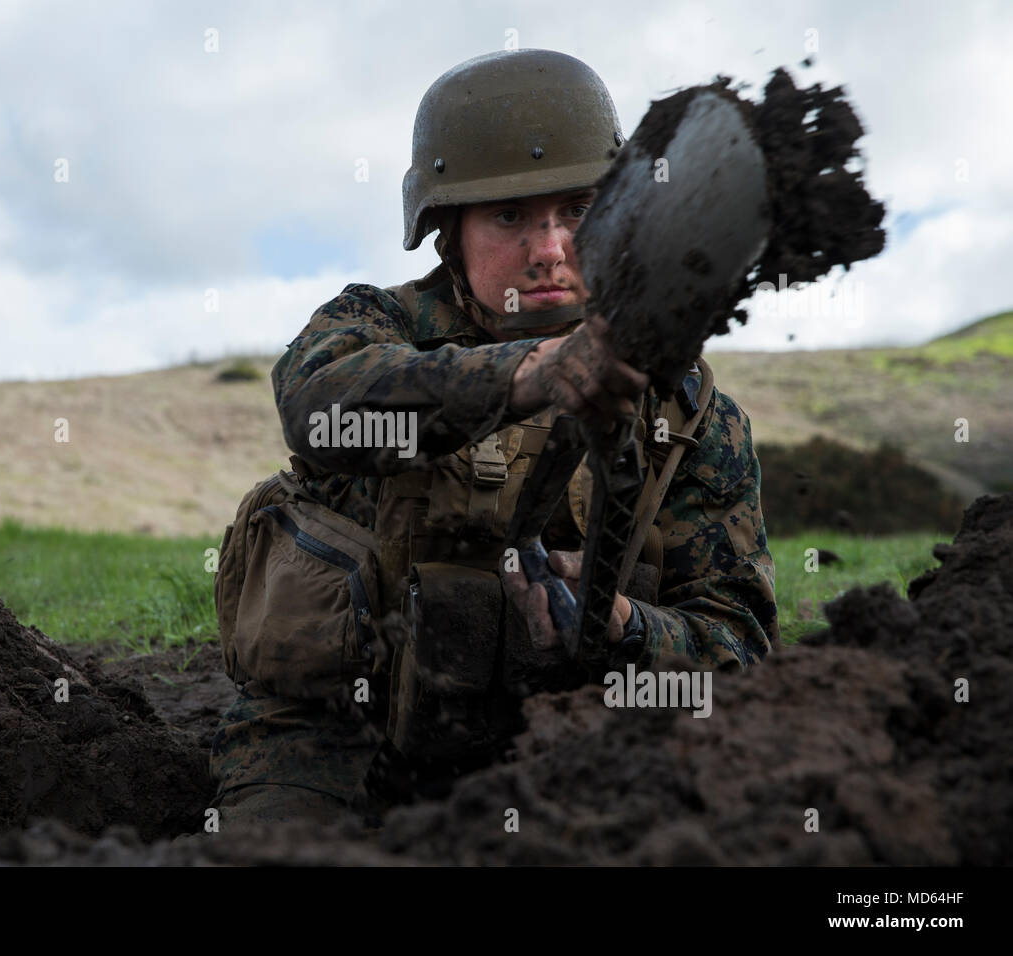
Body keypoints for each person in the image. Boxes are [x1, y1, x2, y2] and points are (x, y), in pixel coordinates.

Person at [208, 49, 778, 828]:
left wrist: (624, 627)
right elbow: (318, 409)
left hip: (565, 752)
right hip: (334, 744)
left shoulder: (686, 414)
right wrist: (529, 374)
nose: (548, 249)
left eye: (576, 210)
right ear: (449, 229)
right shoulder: (376, 327)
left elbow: (739, 654)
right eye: (510, 216)